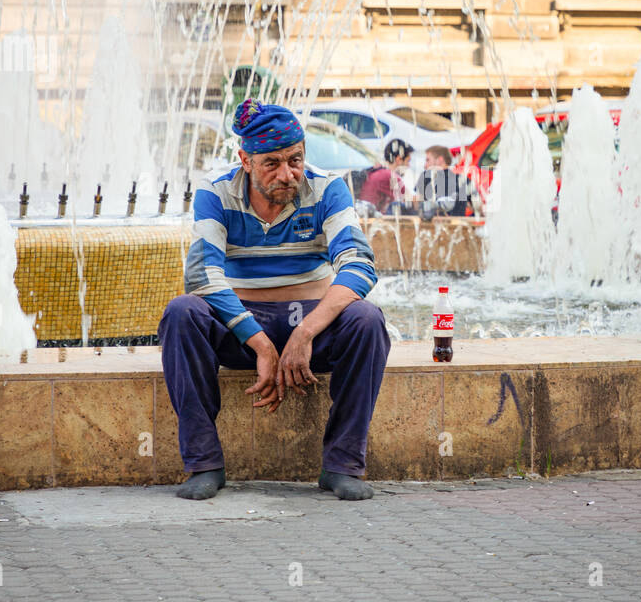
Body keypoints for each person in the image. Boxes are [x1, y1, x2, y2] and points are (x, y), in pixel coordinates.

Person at [159, 99, 390, 501]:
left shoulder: (328, 190)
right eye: (272, 163)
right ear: (245, 159)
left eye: (295, 160)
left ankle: (342, 465)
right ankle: (203, 464)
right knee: (181, 314)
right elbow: (202, 275)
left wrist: (304, 332)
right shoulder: (216, 194)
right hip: (242, 327)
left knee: (368, 320)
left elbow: (359, 264)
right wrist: (260, 343)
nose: (288, 175)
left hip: (312, 323)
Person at [413, 144, 474, 216]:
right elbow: (477, 208)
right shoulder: (463, 180)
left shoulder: (425, 177)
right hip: (457, 225)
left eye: (428, 160)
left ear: (440, 160)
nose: (425, 165)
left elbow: (416, 206)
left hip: (430, 225)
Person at [358, 138, 413, 213]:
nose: (409, 166)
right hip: (372, 221)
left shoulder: (375, 170)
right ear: (398, 160)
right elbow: (410, 201)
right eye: (408, 161)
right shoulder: (390, 176)